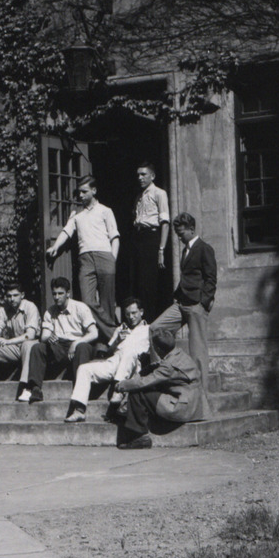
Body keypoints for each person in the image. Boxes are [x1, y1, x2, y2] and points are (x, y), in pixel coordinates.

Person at [45, 175, 119, 341]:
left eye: (84, 192)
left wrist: (112, 259)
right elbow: (66, 231)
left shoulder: (105, 211)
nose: (81, 196)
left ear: (94, 191)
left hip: (105, 256)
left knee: (107, 303)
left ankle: (104, 345)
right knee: (87, 302)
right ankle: (115, 334)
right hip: (85, 259)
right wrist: (56, 246)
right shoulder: (77, 215)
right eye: (79, 192)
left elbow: (115, 237)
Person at [150, 212, 217, 390]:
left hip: (196, 305)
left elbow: (211, 279)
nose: (179, 238)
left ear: (192, 229)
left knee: (198, 352)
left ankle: (200, 393)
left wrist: (204, 302)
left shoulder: (204, 248)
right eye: (177, 234)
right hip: (181, 304)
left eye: (181, 234)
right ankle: (160, 373)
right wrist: (178, 295)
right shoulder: (185, 250)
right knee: (156, 328)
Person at [114, 329, 208, 449]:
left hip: (181, 408)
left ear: (157, 349)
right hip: (196, 406)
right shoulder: (181, 354)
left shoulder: (168, 366)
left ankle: (139, 437)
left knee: (137, 393)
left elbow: (143, 382)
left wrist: (121, 385)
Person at [64, 297, 150, 423]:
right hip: (115, 361)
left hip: (133, 364)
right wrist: (117, 341)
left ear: (141, 312)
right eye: (127, 314)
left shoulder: (149, 329)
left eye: (134, 313)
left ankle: (118, 391)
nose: (131, 317)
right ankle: (79, 409)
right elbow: (109, 352)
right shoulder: (121, 328)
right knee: (84, 368)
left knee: (130, 352)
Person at [22, 276, 98, 403]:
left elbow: (94, 333)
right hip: (59, 346)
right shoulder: (50, 312)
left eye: (60, 293)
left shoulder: (80, 308)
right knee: (37, 347)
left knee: (83, 347)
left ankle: (80, 389)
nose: (57, 297)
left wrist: (76, 342)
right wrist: (47, 337)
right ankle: (35, 388)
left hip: (78, 345)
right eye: (54, 294)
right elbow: (44, 335)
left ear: (68, 293)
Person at [130, 161, 170, 322]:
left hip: (151, 238)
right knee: (137, 282)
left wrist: (161, 249)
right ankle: (139, 321)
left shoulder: (159, 193)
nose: (139, 178)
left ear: (152, 176)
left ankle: (152, 321)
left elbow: (165, 222)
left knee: (149, 283)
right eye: (138, 175)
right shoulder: (139, 196)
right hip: (138, 238)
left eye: (143, 174)